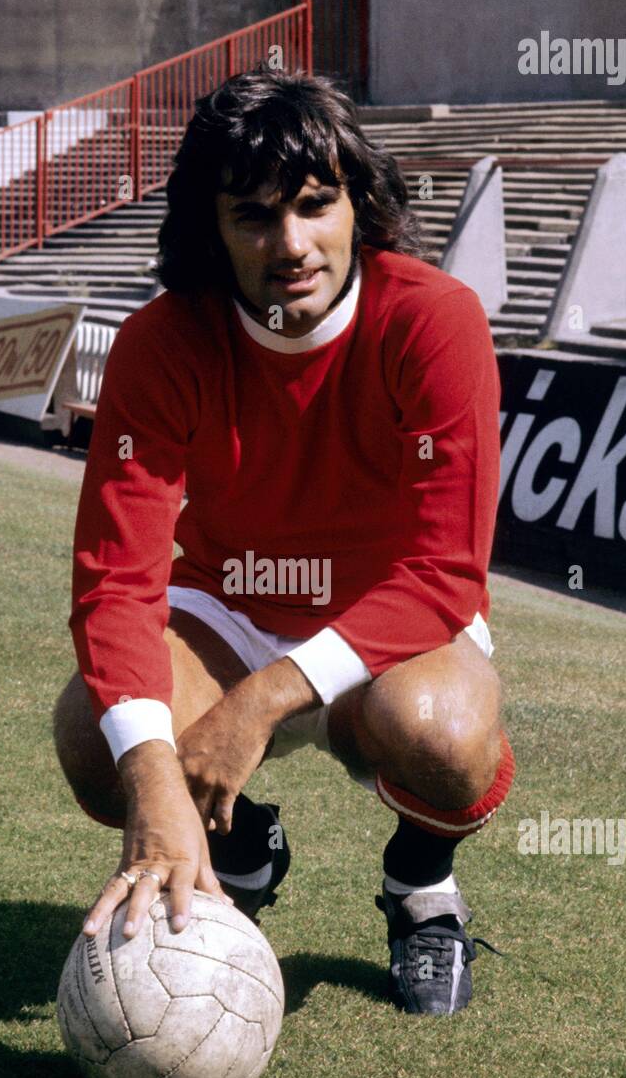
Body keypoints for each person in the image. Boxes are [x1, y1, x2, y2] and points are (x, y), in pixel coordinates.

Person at [53, 67, 515, 1016]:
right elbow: (115, 579)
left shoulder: (433, 319)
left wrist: (258, 706)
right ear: (211, 233)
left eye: (316, 205)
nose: (292, 244)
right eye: (255, 217)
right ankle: (240, 843)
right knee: (97, 741)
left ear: (360, 204)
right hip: (227, 606)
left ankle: (421, 891)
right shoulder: (162, 342)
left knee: (447, 736)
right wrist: (154, 780)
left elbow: (443, 573)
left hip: (391, 622)